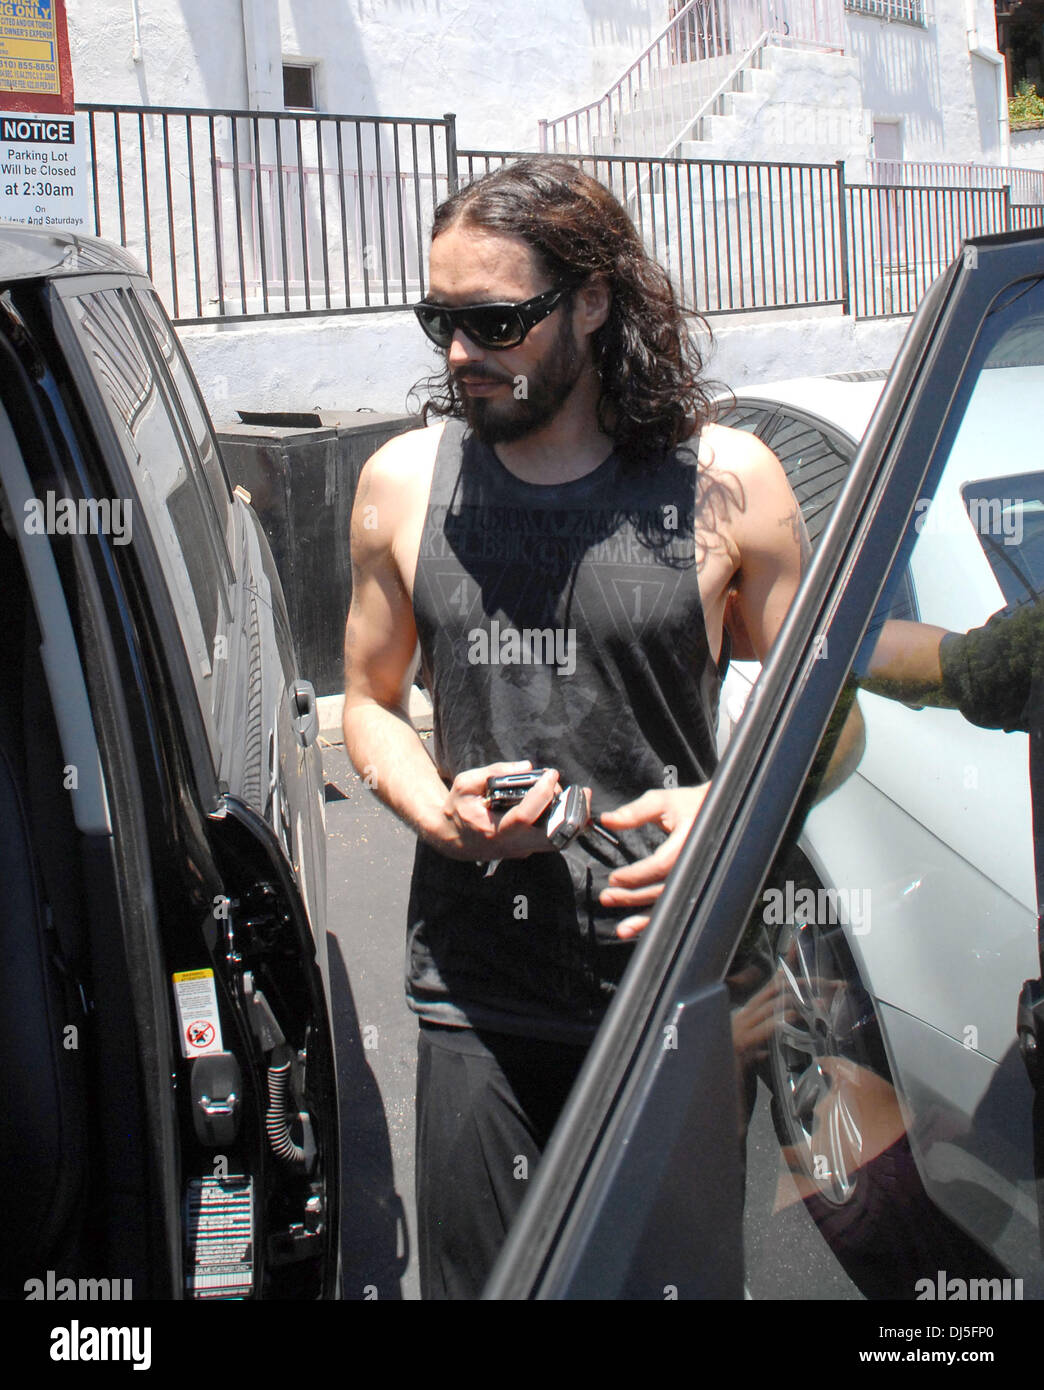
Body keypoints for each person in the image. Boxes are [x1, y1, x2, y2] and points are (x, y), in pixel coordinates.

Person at [341, 156, 809, 1298]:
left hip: (668, 992)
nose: (460, 354)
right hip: (475, 997)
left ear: (590, 303)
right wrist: (436, 811)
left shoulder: (726, 485)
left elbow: (824, 718)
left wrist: (727, 808)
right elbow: (364, 699)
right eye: (441, 320)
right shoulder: (404, 483)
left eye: (496, 321)